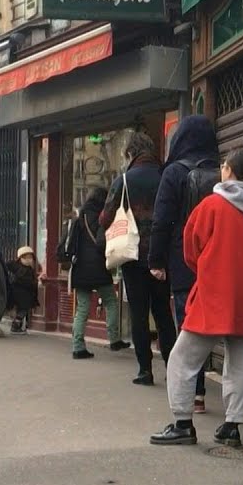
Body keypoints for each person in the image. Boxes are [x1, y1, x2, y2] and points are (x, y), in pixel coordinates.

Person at [149, 149, 243, 448]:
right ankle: (232, 425)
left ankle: (182, 422)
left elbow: (191, 248)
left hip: (213, 292)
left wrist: (207, 269)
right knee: (239, 360)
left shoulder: (211, 206)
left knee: (183, 358)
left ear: (228, 170)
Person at [102, 130, 178, 386]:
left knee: (138, 312)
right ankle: (173, 368)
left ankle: (145, 370)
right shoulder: (165, 176)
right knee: (163, 314)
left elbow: (105, 217)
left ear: (131, 153)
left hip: (133, 258)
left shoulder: (123, 180)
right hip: (161, 256)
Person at [69, 187, 129, 359]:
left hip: (80, 267)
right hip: (99, 267)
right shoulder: (103, 217)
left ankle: (78, 347)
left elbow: (69, 244)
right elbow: (102, 243)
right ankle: (114, 339)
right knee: (110, 301)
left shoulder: (79, 217)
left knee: (82, 308)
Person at [6, 246, 40, 335]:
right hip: (23, 295)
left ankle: (18, 326)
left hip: (21, 294)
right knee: (22, 311)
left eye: (30, 257)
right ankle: (15, 327)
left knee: (21, 310)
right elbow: (28, 282)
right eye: (26, 257)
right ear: (21, 258)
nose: (29, 260)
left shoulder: (21, 267)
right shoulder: (25, 270)